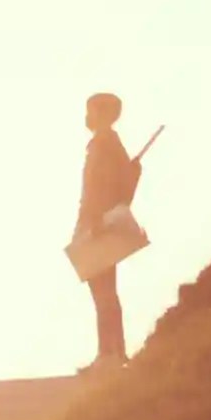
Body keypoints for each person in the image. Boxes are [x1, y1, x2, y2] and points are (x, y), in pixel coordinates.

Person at [74, 92, 133, 373]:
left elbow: (103, 185)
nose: (87, 115)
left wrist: (94, 219)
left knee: (103, 289)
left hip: (98, 223)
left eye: (90, 110)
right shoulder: (105, 143)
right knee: (104, 288)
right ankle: (112, 351)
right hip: (95, 221)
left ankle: (109, 353)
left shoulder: (105, 143)